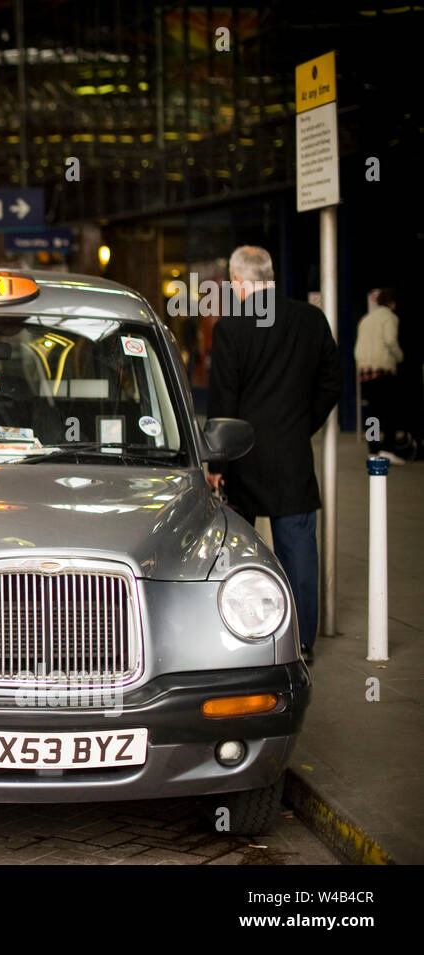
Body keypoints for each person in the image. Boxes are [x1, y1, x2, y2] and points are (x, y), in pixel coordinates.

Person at [207, 245, 341, 664]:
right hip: (291, 456)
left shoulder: (231, 328)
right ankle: (300, 643)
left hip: (243, 457)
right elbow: (332, 382)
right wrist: (301, 425)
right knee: (298, 547)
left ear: (239, 282)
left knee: (238, 550)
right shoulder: (310, 319)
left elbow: (224, 400)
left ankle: (244, 637)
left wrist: (217, 462)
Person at [353, 287, 405, 463]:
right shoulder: (390, 317)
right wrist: (400, 357)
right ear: (392, 303)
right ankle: (388, 448)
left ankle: (373, 448)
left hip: (364, 371)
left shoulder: (366, 320)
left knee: (373, 413)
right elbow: (390, 341)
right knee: (390, 411)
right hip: (382, 369)